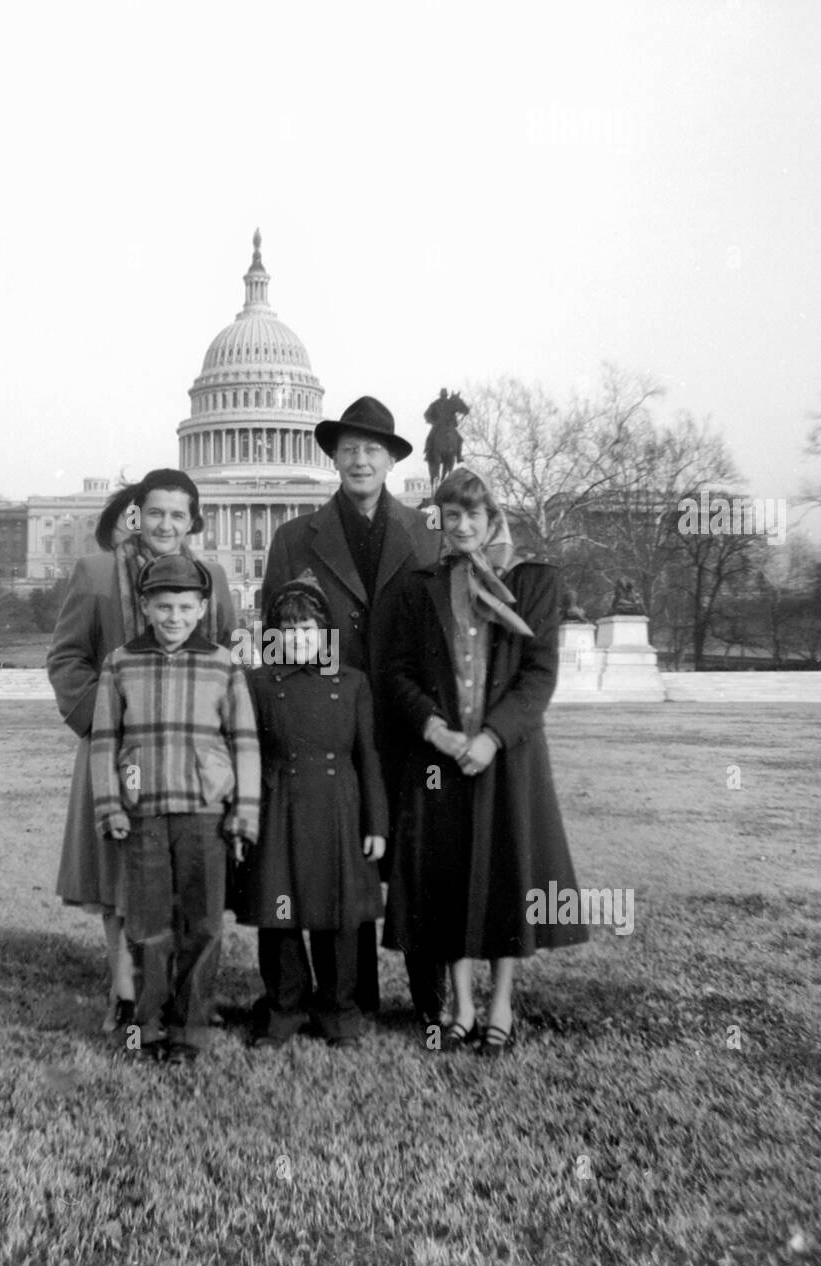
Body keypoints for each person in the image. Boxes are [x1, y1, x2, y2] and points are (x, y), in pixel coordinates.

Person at [382, 468, 587, 1055]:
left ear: (494, 517)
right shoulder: (424, 586)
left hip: (506, 756)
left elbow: (539, 673)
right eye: (452, 516)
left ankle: (501, 1001)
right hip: (442, 757)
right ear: (441, 522)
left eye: (474, 514)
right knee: (448, 879)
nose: (463, 525)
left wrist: (493, 737)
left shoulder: (533, 582)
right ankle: (463, 1003)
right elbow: (398, 673)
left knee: (505, 877)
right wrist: (436, 730)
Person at [261, 396, 441, 1024]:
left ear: (391, 461)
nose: (360, 460)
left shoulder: (427, 534)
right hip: (331, 725)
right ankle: (344, 996)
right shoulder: (293, 539)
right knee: (337, 853)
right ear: (334, 459)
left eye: (373, 449)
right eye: (349, 449)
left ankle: (430, 998)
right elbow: (274, 638)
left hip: (411, 722)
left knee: (415, 859)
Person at [46, 469, 235, 1035]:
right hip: (117, 750)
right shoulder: (98, 573)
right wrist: (101, 722)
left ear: (192, 520)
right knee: (116, 877)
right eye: (156, 513)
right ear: (136, 513)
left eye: (179, 515)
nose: (166, 525)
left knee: (181, 875)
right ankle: (125, 989)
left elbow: (223, 655)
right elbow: (66, 658)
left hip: (188, 754)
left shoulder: (213, 577)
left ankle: (180, 994)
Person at [90, 553, 259, 1064]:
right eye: (164, 607)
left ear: (203, 606)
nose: (174, 618)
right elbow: (104, 739)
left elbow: (244, 740)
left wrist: (243, 811)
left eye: (186, 607)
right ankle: (148, 1025)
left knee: (203, 924)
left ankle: (190, 1028)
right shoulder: (120, 662)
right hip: (143, 812)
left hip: (205, 812)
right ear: (145, 606)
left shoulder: (222, 663)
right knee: (147, 924)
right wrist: (111, 804)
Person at [243, 571, 387, 1049]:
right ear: (273, 634)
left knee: (337, 915)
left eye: (307, 628)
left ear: (325, 632)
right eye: (287, 628)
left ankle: (339, 1012)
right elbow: (247, 752)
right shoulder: (258, 683)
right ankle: (284, 1009)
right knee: (278, 914)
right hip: (278, 803)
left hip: (339, 809)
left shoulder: (351, 683)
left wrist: (376, 823)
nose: (298, 638)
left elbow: (367, 756)